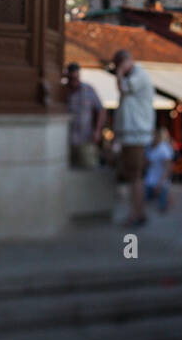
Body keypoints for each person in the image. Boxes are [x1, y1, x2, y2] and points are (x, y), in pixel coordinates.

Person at [111, 49, 156, 227]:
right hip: (132, 135)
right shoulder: (136, 76)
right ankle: (138, 212)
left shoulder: (139, 76)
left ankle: (136, 214)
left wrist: (119, 74)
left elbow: (123, 88)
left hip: (135, 135)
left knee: (134, 176)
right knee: (134, 176)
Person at [64, 62, 104, 169]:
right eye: (71, 79)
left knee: (88, 168)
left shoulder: (88, 89)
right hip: (65, 140)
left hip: (85, 138)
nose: (74, 82)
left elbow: (100, 110)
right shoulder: (62, 90)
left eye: (76, 78)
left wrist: (97, 131)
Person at [144, 128, 173, 212]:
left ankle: (167, 198)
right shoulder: (148, 148)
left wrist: (161, 182)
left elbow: (168, 167)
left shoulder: (164, 149)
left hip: (160, 182)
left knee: (162, 205)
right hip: (149, 181)